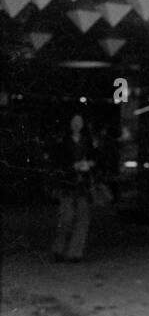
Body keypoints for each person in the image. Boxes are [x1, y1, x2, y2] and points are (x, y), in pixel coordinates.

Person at [52, 112, 97, 262]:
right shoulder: (63, 141)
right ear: (70, 123)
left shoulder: (88, 140)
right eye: (74, 121)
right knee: (66, 218)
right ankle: (59, 249)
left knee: (83, 218)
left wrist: (90, 164)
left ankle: (75, 253)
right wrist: (73, 166)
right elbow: (57, 162)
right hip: (68, 183)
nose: (77, 123)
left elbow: (96, 158)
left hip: (83, 183)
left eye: (79, 121)